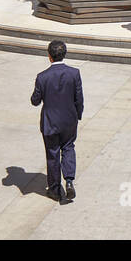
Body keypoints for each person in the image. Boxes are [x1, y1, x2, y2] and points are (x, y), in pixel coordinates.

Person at [31, 39, 84, 203]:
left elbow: (35, 101)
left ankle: (54, 189)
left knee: (52, 154)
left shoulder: (42, 77)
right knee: (68, 148)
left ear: (49, 56)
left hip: (50, 122)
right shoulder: (74, 73)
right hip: (69, 120)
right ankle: (68, 180)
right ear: (64, 54)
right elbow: (79, 99)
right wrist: (78, 115)